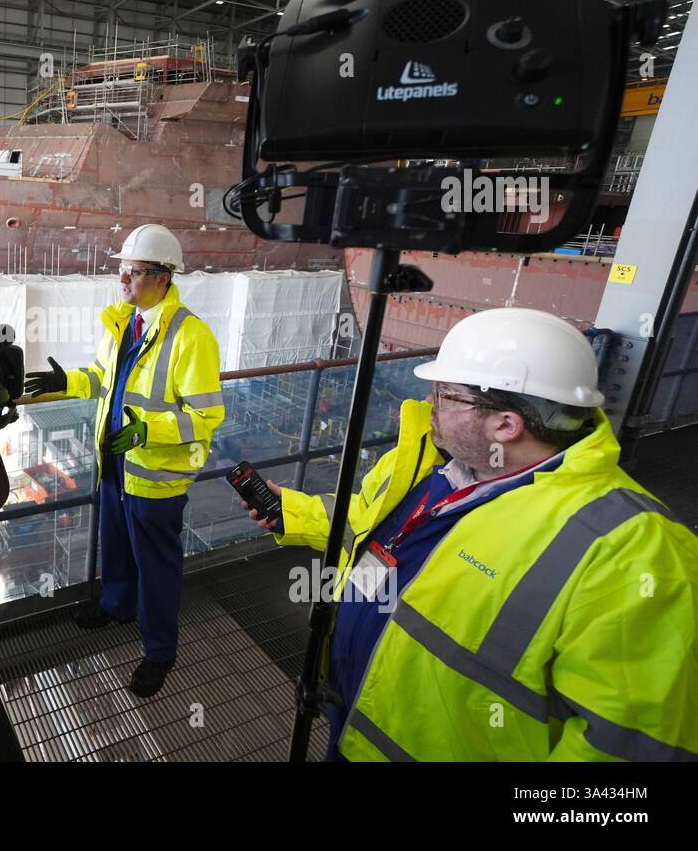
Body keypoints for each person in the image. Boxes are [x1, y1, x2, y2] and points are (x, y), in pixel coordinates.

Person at [242, 307, 698, 761]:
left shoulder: (635, 551)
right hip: (351, 720)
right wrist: (292, 513)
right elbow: (368, 528)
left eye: (445, 395)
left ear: (505, 425)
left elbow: (634, 748)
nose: (427, 406)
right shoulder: (433, 467)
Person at [25, 224, 225, 697]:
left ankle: (159, 652)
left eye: (131, 273)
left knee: (156, 566)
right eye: (121, 271)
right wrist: (66, 383)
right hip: (115, 464)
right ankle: (117, 606)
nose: (122, 282)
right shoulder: (125, 324)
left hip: (156, 478)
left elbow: (206, 414)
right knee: (114, 544)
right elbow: (100, 378)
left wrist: (145, 430)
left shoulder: (190, 336)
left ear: (160, 277)